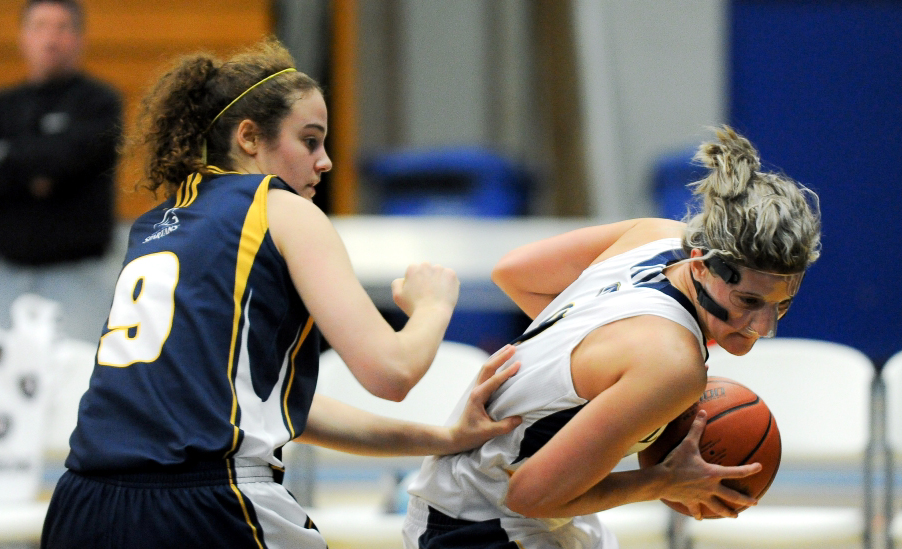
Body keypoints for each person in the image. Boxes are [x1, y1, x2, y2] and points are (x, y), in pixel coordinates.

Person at [40, 38, 522, 548]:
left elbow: (275, 405)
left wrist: (441, 438)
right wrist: (433, 307)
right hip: (205, 502)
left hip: (82, 505)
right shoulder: (279, 207)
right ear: (249, 137)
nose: (326, 161)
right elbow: (393, 372)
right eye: (310, 141)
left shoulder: (157, 223)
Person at [402, 126, 822, 549]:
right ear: (700, 266)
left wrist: (591, 365)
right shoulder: (672, 365)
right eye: (748, 300)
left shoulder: (656, 236)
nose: (764, 326)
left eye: (781, 304)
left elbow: (514, 273)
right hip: (479, 525)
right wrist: (666, 480)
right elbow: (530, 496)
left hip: (480, 496)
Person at [0, 0, 123, 342]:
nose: (51, 39)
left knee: (78, 379)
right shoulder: (6, 105)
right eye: (40, 27)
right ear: (23, 37)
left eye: (62, 28)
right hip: (9, 274)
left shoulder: (99, 103)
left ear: (79, 37)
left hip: (79, 275)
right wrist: (38, 173)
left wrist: (13, 160)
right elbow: (52, 162)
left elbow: (69, 160)